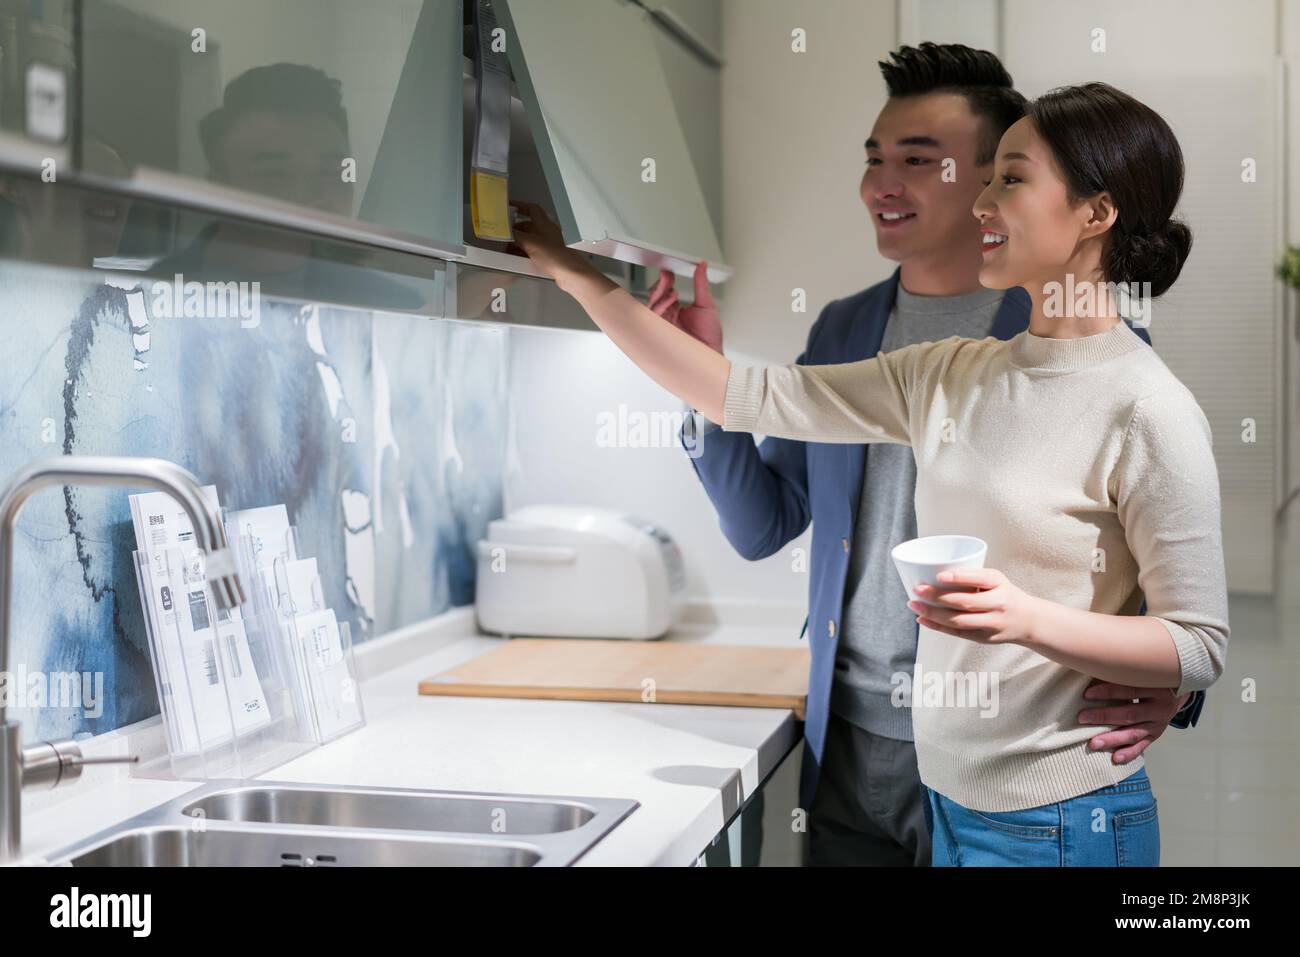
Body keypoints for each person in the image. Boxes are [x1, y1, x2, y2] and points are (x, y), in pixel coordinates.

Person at [509, 78, 1229, 867]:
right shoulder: (947, 370)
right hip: (938, 788)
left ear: (1096, 213)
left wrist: (1032, 622)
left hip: (1057, 818)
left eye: (1009, 179)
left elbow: (1197, 640)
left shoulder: (1147, 404)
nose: (984, 202)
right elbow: (744, 393)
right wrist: (576, 275)